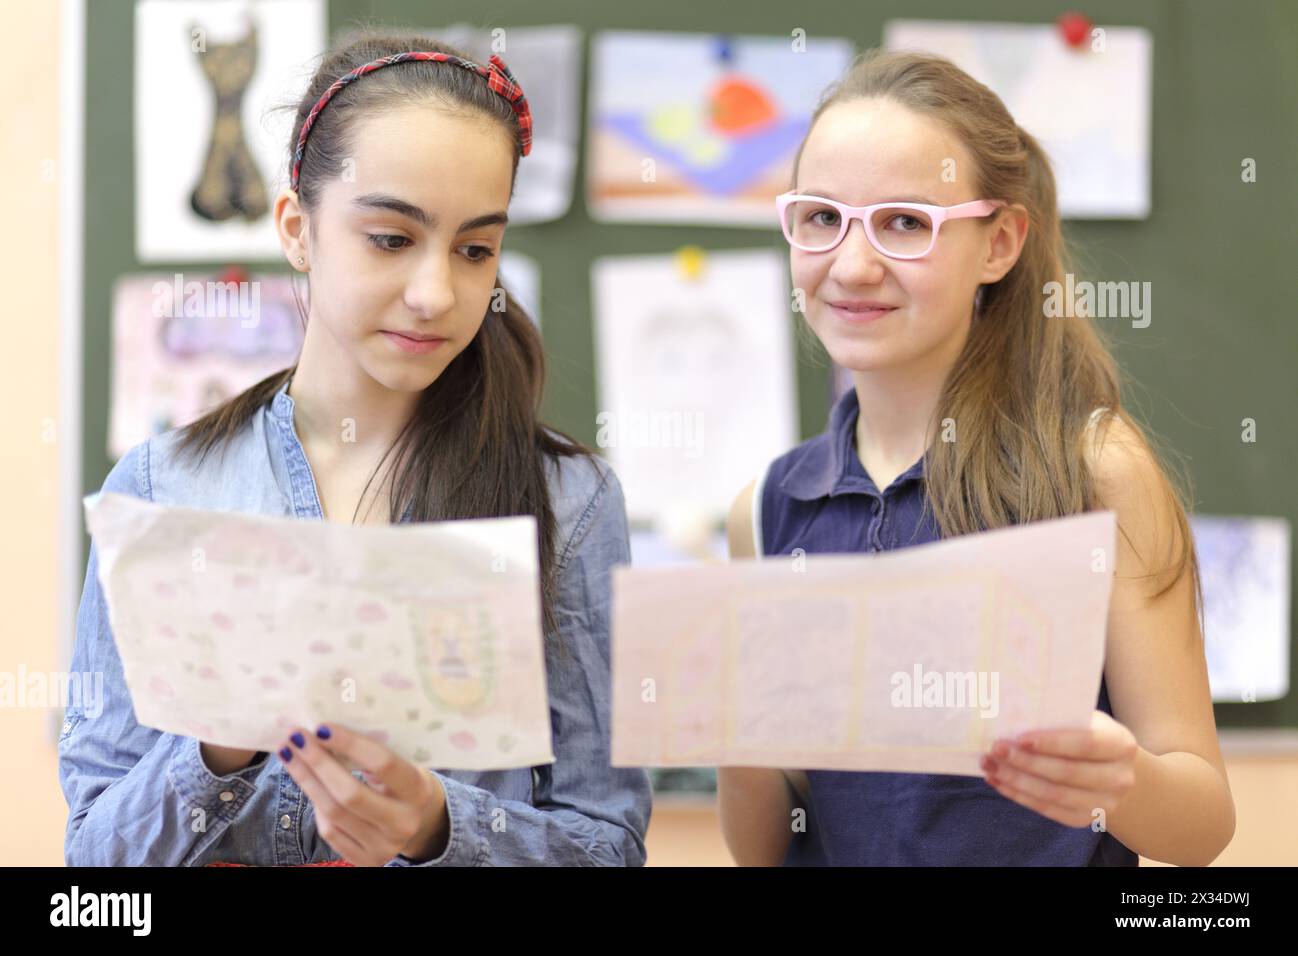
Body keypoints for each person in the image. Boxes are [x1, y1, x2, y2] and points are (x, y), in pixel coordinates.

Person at [59, 33, 650, 867]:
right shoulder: (162, 491)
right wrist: (215, 750)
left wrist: (442, 828)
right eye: (390, 238)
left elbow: (608, 846)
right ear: (298, 230)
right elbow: (92, 868)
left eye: (476, 249)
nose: (436, 292)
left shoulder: (569, 501)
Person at [718, 49, 1234, 866]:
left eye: (906, 223)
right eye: (822, 218)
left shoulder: (1092, 471)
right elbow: (770, 849)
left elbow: (1204, 825)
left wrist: (1115, 775)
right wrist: (736, 734)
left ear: (998, 245)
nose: (852, 265)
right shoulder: (767, 511)